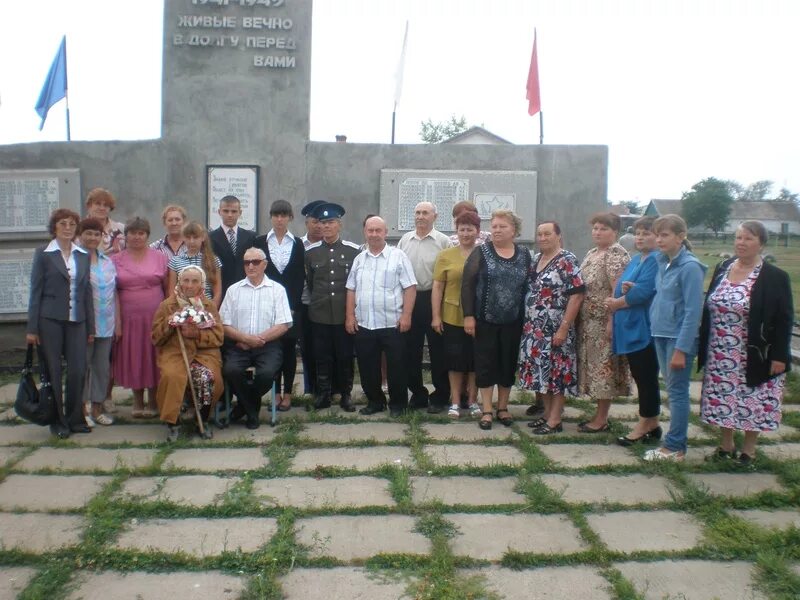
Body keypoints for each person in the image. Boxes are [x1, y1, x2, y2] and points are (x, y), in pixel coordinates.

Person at [698, 221, 793, 466]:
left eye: (748, 239)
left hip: (755, 352)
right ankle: (725, 444)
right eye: (738, 237)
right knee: (722, 398)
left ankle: (748, 451)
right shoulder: (722, 267)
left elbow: (784, 319)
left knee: (754, 399)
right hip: (719, 351)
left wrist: (780, 356)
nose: (741, 243)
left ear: (761, 243)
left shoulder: (774, 277)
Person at [26, 209, 94, 439]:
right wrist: (32, 328)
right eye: (63, 223)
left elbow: (86, 293)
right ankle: (57, 420)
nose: (67, 227)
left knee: (77, 370)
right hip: (49, 321)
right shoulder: (44, 254)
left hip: (78, 321)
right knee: (53, 371)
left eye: (72, 224)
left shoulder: (82, 254)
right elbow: (35, 292)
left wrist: (91, 327)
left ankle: (76, 418)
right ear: (54, 227)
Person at [644, 214, 706, 462]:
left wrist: (682, 348)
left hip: (676, 339)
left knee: (678, 393)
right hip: (660, 333)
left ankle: (675, 447)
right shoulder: (663, 262)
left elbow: (693, 311)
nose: (659, 239)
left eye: (665, 235)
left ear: (681, 237)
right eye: (657, 234)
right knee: (670, 390)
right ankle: (672, 442)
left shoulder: (690, 267)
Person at [462, 210, 531, 430]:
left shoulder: (525, 255)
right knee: (485, 364)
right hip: (485, 320)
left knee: (507, 364)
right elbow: (467, 285)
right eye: (494, 226)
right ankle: (487, 410)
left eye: (503, 226)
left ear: (514, 230)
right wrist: (469, 316)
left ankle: (503, 407)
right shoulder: (481, 253)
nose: (497, 230)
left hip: (513, 320)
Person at [518, 221, 585, 435]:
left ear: (558, 236)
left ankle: (555, 419)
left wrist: (565, 327)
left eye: (548, 234)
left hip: (556, 329)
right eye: (539, 234)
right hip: (534, 329)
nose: (543, 238)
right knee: (540, 373)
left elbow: (577, 294)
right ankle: (546, 413)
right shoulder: (536, 259)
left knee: (557, 374)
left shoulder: (567, 260)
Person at [346, 216, 417, 417]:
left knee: (397, 367)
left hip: (392, 323)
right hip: (365, 324)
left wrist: (407, 316)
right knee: (368, 368)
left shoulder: (398, 256)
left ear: (385, 233)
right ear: (365, 233)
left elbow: (410, 287)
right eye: (371, 231)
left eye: (378, 230)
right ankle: (375, 401)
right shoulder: (359, 259)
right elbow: (351, 289)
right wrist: (350, 316)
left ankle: (398, 404)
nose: (374, 234)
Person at [220, 247, 293, 429]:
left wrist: (257, 339)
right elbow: (223, 324)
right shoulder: (233, 290)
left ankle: (245, 408)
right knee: (230, 371)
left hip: (268, 345)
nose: (251, 266)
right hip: (239, 345)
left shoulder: (277, 290)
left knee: (267, 374)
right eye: (247, 262)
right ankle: (251, 410)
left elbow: (284, 324)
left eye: (255, 262)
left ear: (265, 264)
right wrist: (244, 338)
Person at [605, 216, 662, 446]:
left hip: (644, 329)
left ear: (658, 237)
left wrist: (616, 303)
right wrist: (626, 291)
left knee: (646, 377)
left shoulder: (656, 260)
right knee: (641, 376)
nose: (640, 237)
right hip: (630, 326)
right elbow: (627, 287)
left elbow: (643, 293)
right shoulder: (638, 258)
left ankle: (643, 425)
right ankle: (653, 423)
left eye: (646, 233)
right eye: (638, 232)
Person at [152, 266, 224, 441]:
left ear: (201, 285)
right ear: (179, 282)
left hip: (203, 355)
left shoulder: (208, 306)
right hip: (176, 353)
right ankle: (173, 422)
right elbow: (155, 338)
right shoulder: (167, 305)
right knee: (172, 376)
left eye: (194, 281)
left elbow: (218, 337)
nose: (189, 285)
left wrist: (197, 334)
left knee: (207, 377)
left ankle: (203, 420)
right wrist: (170, 324)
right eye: (185, 280)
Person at [576, 212, 631, 433]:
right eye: (595, 228)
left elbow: (616, 291)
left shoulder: (616, 255)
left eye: (603, 229)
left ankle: (601, 419)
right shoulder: (592, 253)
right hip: (588, 322)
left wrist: (611, 321)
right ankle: (597, 413)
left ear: (615, 232)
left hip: (603, 321)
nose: (598, 232)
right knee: (594, 367)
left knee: (604, 369)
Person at [304, 202, 360, 411]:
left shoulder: (353, 251)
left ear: (339, 225)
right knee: (322, 355)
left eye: (330, 223)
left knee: (345, 356)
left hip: (343, 314)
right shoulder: (310, 253)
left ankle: (345, 394)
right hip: (319, 314)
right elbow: (310, 283)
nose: (326, 227)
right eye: (322, 223)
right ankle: (324, 394)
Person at [112, 217, 169, 418]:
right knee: (135, 355)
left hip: (154, 315)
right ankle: (137, 400)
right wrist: (117, 322)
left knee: (154, 355)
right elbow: (113, 293)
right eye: (132, 233)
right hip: (129, 317)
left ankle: (154, 399)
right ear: (125, 235)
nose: (136, 237)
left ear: (147, 235)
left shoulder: (160, 257)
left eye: (141, 233)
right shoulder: (115, 259)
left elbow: (167, 288)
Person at [398, 201, 452, 413]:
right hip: (410, 299)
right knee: (411, 351)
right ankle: (418, 394)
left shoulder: (444, 241)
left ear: (435, 217)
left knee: (439, 351)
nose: (420, 216)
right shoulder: (405, 240)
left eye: (425, 213)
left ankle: (440, 395)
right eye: (417, 212)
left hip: (434, 299)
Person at [254, 199, 306, 411]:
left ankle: (288, 394)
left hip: (292, 305)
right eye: (276, 215)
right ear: (271, 217)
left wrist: (291, 306)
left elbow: (298, 277)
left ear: (290, 218)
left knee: (288, 349)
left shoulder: (297, 243)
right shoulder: (259, 242)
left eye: (284, 215)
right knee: (272, 348)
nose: (280, 219)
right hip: (267, 304)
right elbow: (257, 273)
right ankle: (275, 392)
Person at [431, 210, 482, 419]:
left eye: (470, 229)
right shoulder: (445, 255)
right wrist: (436, 316)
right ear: (456, 231)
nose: (466, 233)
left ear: (478, 232)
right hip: (451, 315)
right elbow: (437, 287)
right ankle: (454, 401)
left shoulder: (484, 254)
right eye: (462, 229)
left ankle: (472, 400)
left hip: (479, 317)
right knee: (454, 360)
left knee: (475, 361)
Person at [78, 217, 117, 427]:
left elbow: (114, 293)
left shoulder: (107, 261)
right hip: (83, 326)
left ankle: (97, 408)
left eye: (96, 234)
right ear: (80, 235)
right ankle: (81, 410)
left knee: (102, 368)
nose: (92, 237)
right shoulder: (75, 260)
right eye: (88, 233)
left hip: (106, 324)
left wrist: (117, 323)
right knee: (82, 367)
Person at [298, 200, 325, 396]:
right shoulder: (297, 245)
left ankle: (329, 388)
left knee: (327, 348)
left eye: (322, 221)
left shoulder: (333, 245)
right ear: (307, 222)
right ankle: (310, 387)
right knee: (308, 347)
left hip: (328, 305)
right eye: (314, 221)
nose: (318, 225)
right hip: (305, 303)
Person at [167, 221, 223, 307]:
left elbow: (217, 291)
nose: (192, 241)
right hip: (181, 308)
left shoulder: (213, 260)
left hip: (206, 307)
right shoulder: (175, 261)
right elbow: (171, 292)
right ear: (183, 238)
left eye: (195, 237)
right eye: (188, 238)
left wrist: (212, 308)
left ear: (203, 238)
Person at [209, 195, 256, 297]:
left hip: (246, 291)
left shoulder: (250, 237)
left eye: (234, 211)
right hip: (220, 292)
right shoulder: (209, 238)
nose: (230, 215)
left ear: (240, 213)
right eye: (226, 211)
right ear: (219, 212)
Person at [85, 187, 125, 255]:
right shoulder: (79, 229)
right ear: (89, 206)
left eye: (106, 205)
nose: (102, 208)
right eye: (98, 204)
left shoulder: (121, 229)